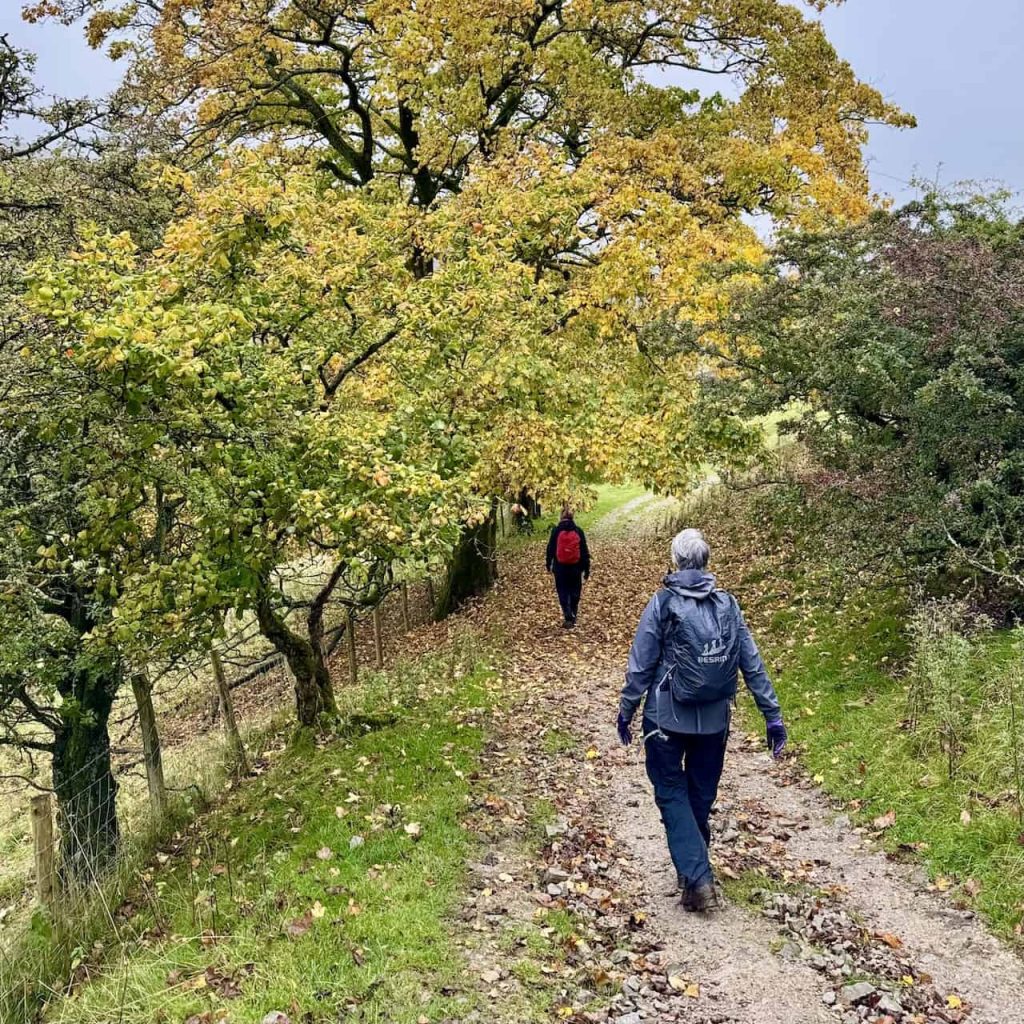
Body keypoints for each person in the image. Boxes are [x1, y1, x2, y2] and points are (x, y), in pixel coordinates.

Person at [616, 528, 787, 912]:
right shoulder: (728, 605)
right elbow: (752, 664)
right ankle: (693, 872)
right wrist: (771, 716)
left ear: (675, 561)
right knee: (700, 794)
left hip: (665, 719)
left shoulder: (662, 603)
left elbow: (642, 664)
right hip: (714, 721)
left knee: (671, 791)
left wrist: (627, 709)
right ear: (707, 562)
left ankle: (697, 878)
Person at [546, 506, 591, 628]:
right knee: (575, 591)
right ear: (573, 517)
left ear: (561, 517)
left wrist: (548, 563)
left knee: (563, 591)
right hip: (576, 568)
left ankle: (567, 615)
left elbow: (550, 548)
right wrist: (587, 569)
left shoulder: (556, 531)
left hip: (560, 568)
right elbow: (584, 551)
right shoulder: (578, 531)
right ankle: (573, 613)